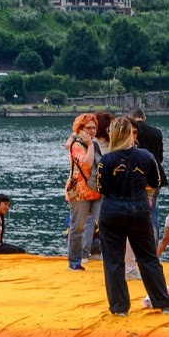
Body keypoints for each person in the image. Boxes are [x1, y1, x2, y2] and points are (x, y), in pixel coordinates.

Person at [97, 115, 169, 316]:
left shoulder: (106, 160)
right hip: (139, 210)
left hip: (112, 213)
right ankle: (164, 302)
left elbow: (102, 188)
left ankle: (119, 307)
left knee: (113, 261)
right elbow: (156, 181)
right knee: (148, 258)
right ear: (131, 134)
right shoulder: (145, 156)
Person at [65, 113, 103, 271]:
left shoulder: (92, 142)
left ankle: (112, 258)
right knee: (77, 226)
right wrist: (91, 145)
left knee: (105, 222)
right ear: (80, 128)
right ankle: (74, 261)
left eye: (94, 128)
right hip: (79, 190)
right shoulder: (76, 144)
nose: (92, 131)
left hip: (96, 189)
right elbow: (86, 164)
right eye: (89, 128)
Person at [128, 108, 167, 233]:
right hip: (154, 175)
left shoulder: (129, 132)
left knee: (133, 212)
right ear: (144, 117)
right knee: (153, 214)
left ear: (130, 118)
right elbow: (160, 157)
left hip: (134, 177)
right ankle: (153, 247)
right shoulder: (156, 132)